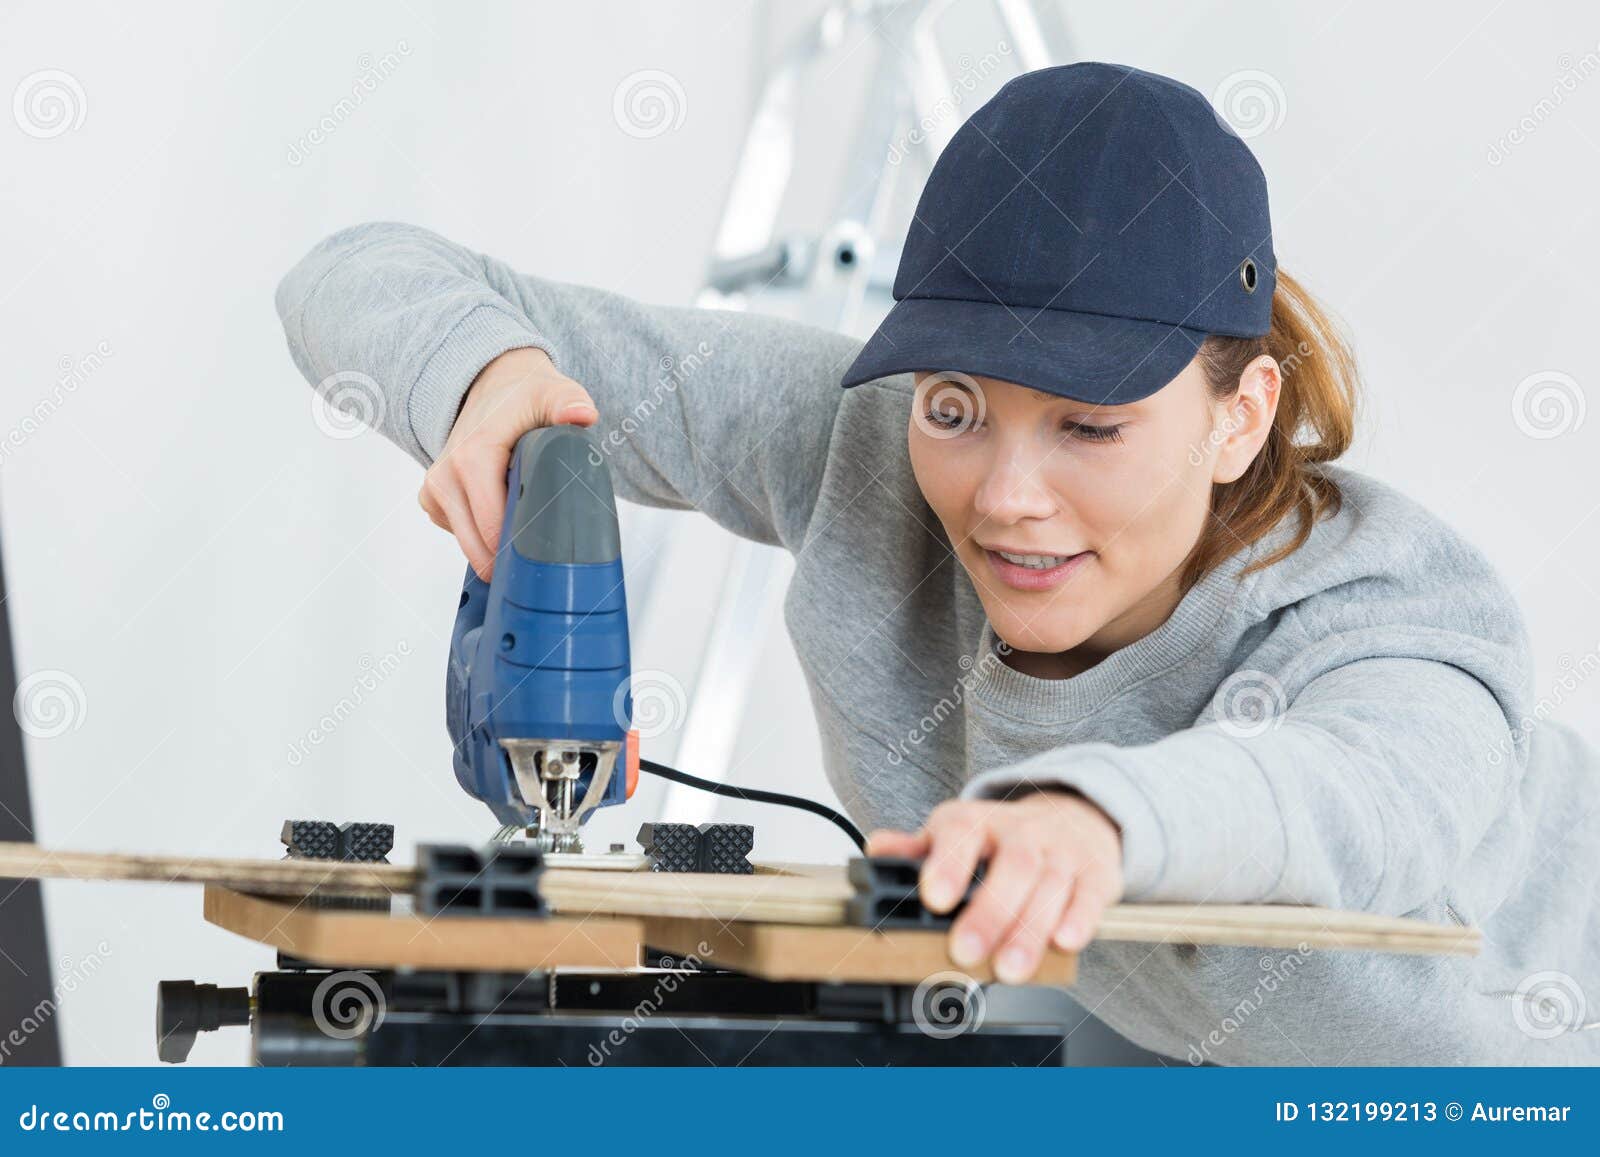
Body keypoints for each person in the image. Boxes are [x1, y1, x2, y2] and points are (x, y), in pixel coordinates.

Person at [275, 63, 1598, 1064]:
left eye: (1090, 424)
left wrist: (1087, 823)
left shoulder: (1396, 614)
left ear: (1241, 414)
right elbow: (358, 270)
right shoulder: (863, 445)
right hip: (1162, 1059)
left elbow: (1342, 796)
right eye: (956, 404)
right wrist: (487, 381)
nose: (1007, 498)